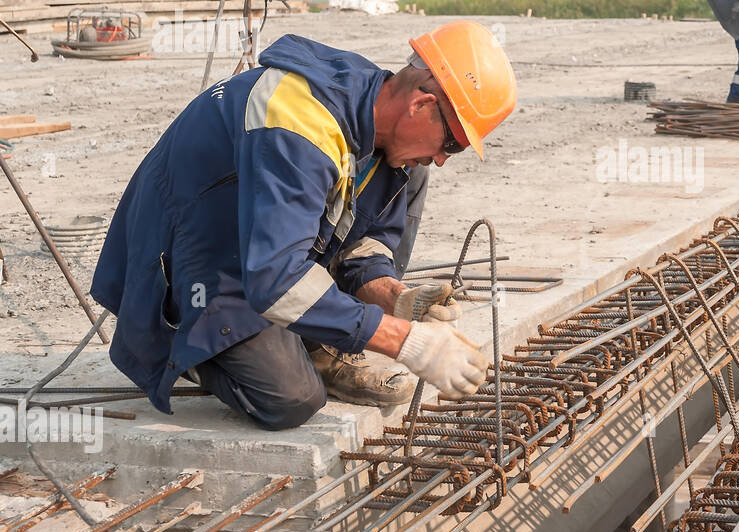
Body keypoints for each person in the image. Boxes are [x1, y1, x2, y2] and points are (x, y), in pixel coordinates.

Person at [91, 21, 516, 430]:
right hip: (198, 262)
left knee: (412, 170)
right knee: (291, 399)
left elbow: (363, 245)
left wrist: (397, 300)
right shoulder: (296, 125)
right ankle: (183, 349)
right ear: (421, 105)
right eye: (452, 144)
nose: (443, 157)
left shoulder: (375, 123)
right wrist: (407, 342)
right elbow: (275, 280)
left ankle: (322, 341)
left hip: (262, 247)